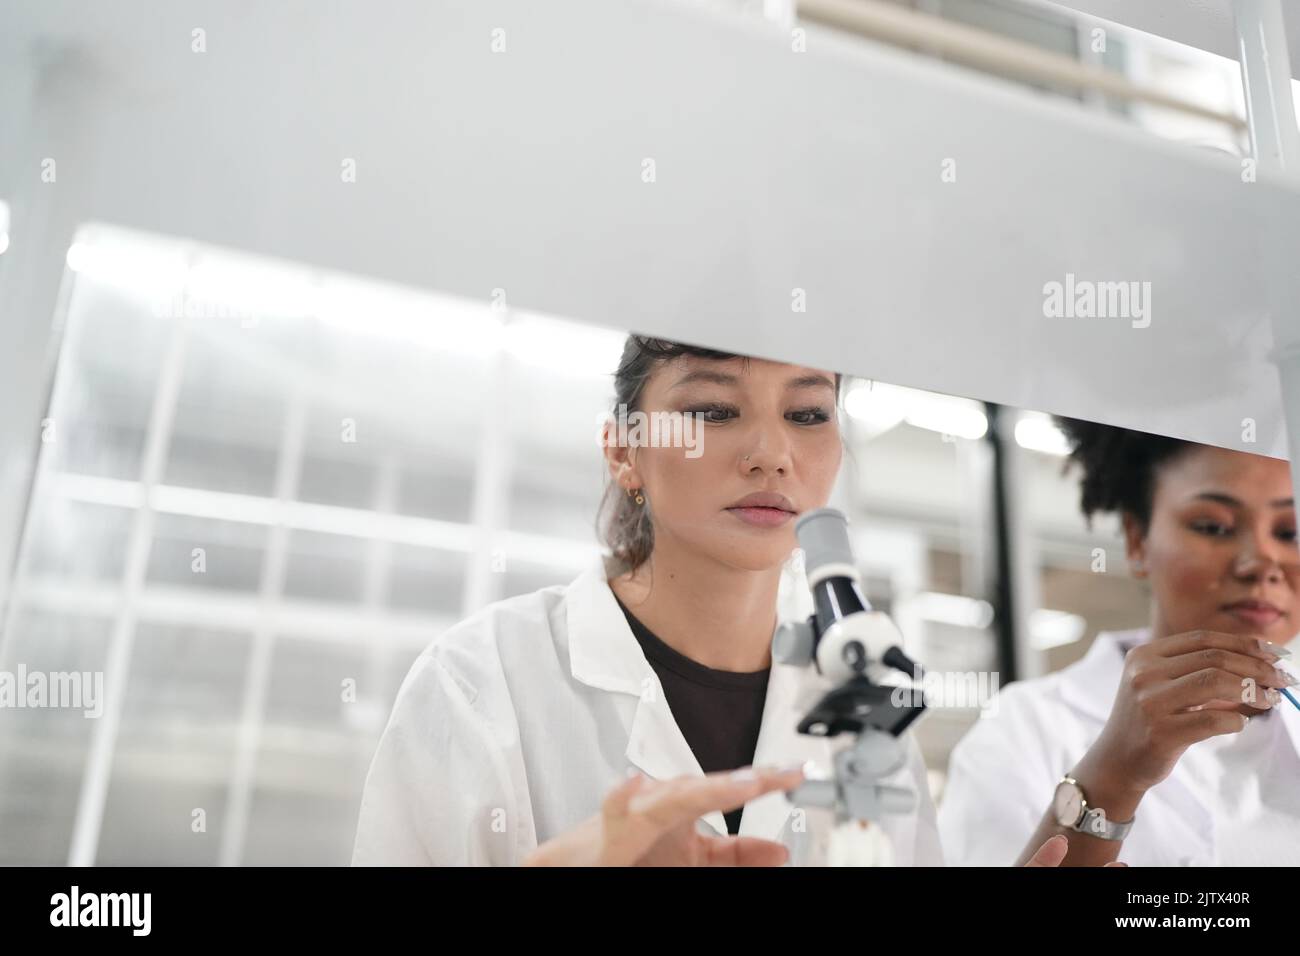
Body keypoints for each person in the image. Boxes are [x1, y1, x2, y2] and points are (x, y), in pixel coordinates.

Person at [350, 335, 950, 865]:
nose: (771, 452)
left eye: (807, 412)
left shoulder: (868, 718)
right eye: (713, 410)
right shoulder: (478, 681)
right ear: (622, 451)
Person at [938, 417, 1300, 866]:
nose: (1262, 562)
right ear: (1136, 540)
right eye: (1214, 526)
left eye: (1290, 533)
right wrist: (1114, 774)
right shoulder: (1025, 728)